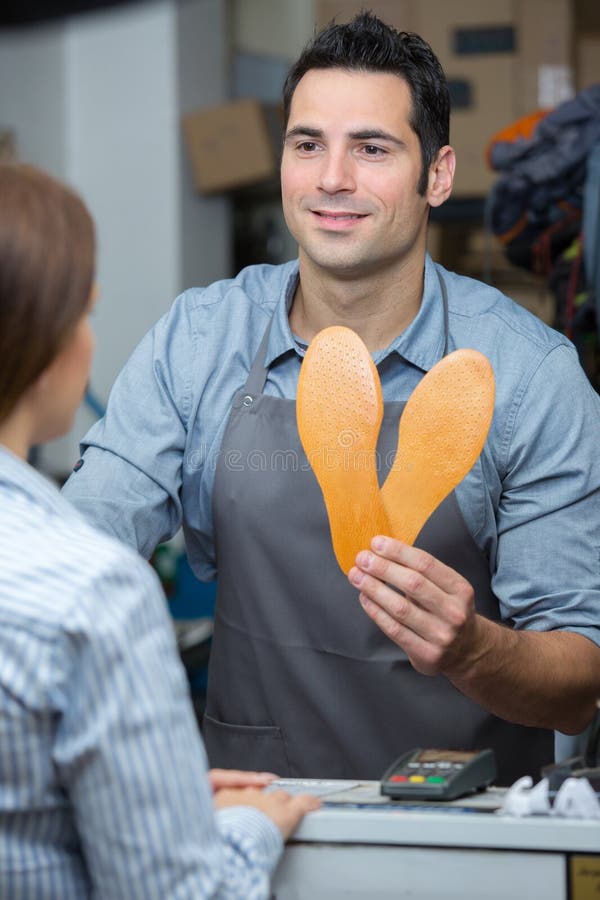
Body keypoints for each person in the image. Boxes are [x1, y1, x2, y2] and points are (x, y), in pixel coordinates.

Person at [63, 12, 600, 786]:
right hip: (257, 814)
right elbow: (84, 546)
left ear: (438, 176)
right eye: (306, 144)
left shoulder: (529, 376)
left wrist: (474, 650)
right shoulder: (200, 339)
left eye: (372, 149)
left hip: (462, 829)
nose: (331, 179)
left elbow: (579, 682)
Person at [0, 162, 318, 900]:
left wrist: (148, 786)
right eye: (85, 313)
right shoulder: (92, 593)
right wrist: (249, 828)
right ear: (51, 351)